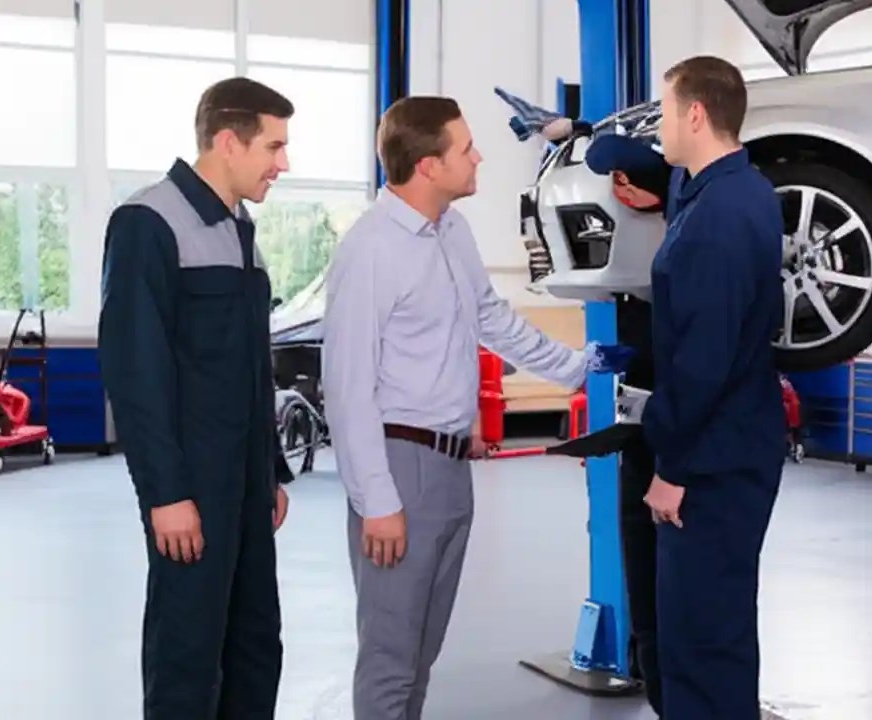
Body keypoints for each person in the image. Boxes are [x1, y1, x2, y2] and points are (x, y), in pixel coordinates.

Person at [322, 95, 626, 720]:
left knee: (421, 654)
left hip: (453, 466)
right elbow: (347, 386)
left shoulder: (451, 232)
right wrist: (375, 502)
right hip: (399, 469)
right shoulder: (371, 249)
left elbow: (492, 319)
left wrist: (577, 366)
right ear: (428, 166)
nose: (479, 155)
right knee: (390, 657)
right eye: (465, 148)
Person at [98, 76, 296, 720]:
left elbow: (249, 369)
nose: (283, 163)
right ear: (228, 142)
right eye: (273, 146)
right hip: (191, 486)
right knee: (188, 651)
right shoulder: (148, 222)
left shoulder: (240, 230)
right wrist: (165, 494)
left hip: (244, 485)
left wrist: (268, 473)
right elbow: (135, 372)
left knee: (255, 643)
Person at [639, 56, 787, 720]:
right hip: (737, 445)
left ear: (695, 114)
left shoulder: (718, 214)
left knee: (702, 645)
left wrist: (672, 466)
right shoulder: (736, 190)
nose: (660, 128)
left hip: (712, 462)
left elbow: (704, 359)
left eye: (665, 113)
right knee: (713, 632)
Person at [585, 132, 676, 717]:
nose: (619, 192)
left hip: (682, 449)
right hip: (638, 440)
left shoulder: (688, 247)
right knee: (643, 584)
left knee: (682, 600)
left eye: (626, 180)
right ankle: (657, 682)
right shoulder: (631, 255)